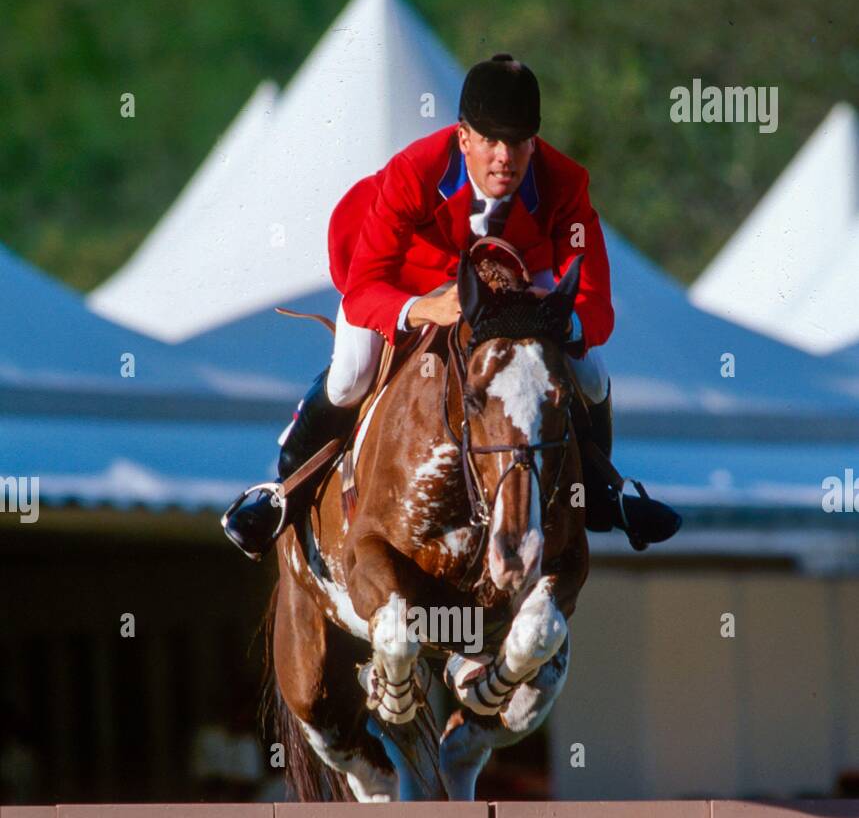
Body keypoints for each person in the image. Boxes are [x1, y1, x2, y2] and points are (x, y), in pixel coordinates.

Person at [222, 53, 680, 558]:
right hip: (405, 278)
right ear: (464, 138)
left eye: (518, 141)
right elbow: (366, 286)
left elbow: (597, 307)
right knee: (351, 374)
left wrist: (557, 318)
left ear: (534, 141)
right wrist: (425, 309)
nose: (504, 156)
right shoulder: (414, 173)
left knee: (589, 371)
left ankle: (601, 494)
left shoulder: (565, 183)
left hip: (519, 277)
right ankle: (282, 492)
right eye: (490, 141)